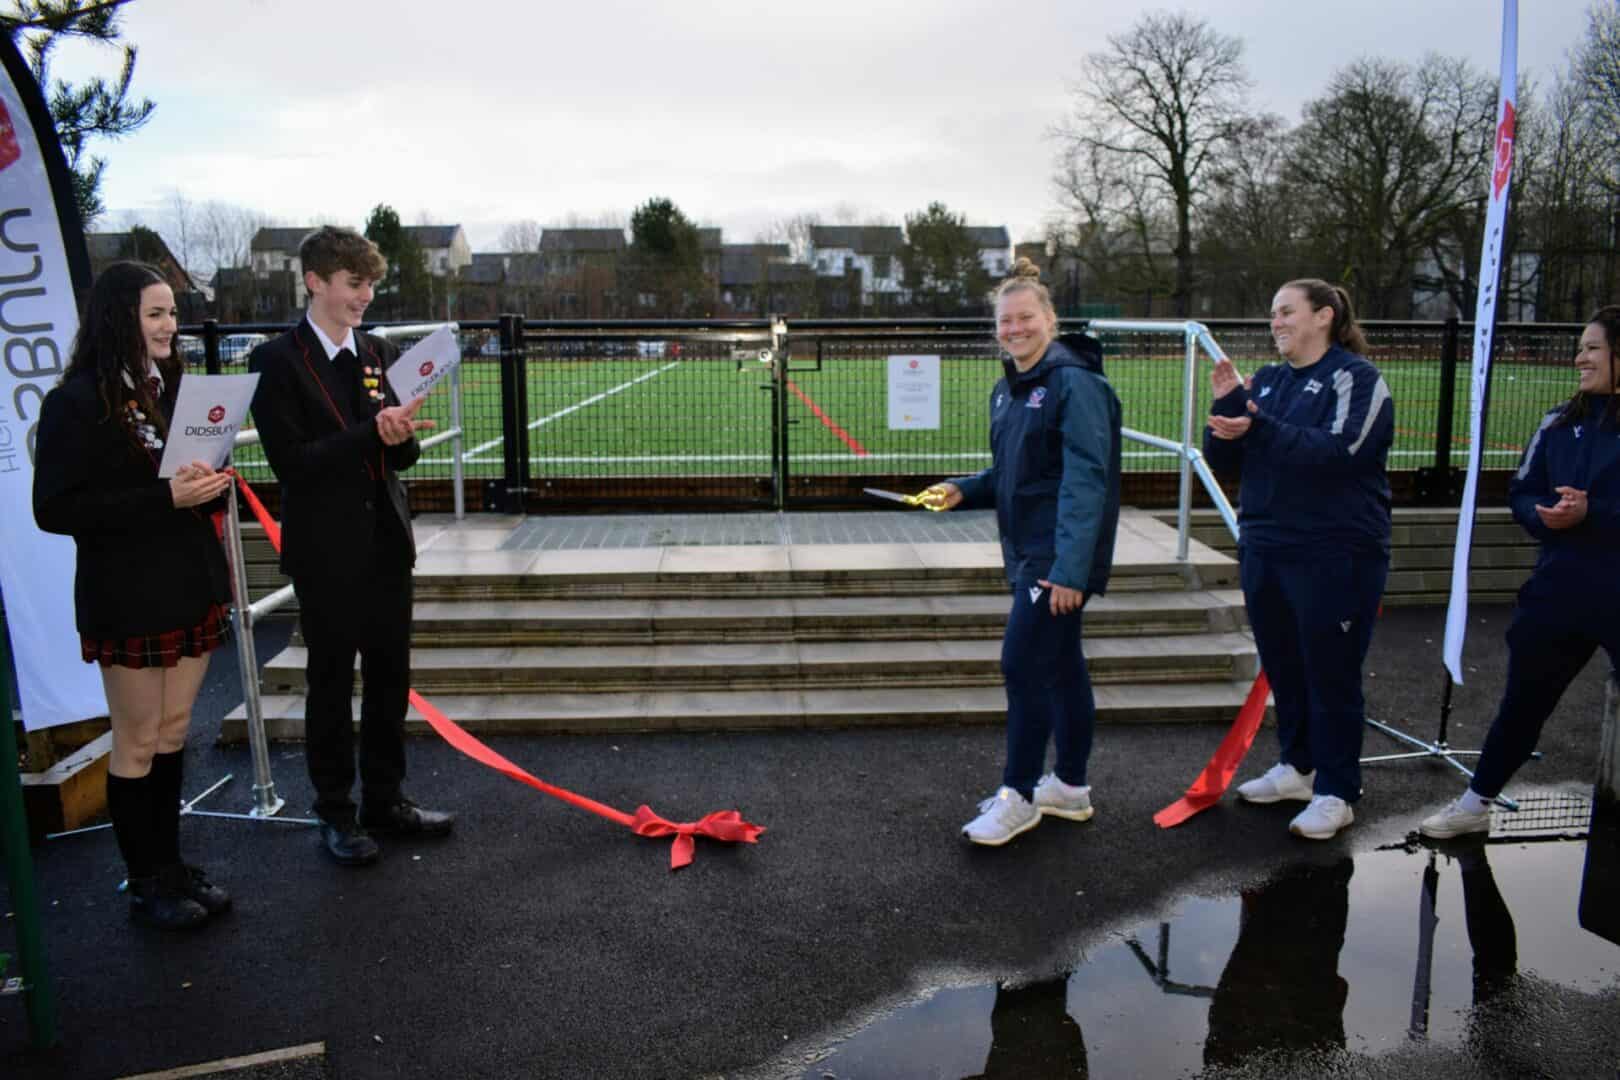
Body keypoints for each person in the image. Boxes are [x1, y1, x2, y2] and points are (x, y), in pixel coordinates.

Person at [33, 261, 234, 929]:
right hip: (127, 595)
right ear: (119, 319)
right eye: (155, 313)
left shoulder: (173, 389)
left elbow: (191, 478)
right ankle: (146, 881)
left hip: (190, 583)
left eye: (172, 312)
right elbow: (54, 509)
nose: (170, 325)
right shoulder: (73, 403)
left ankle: (170, 865)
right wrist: (164, 497)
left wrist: (209, 485)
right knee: (139, 741)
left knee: (174, 732)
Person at [248, 226, 452, 866]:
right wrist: (373, 433)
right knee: (332, 683)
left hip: (387, 542)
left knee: (391, 679)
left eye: (370, 285)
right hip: (326, 550)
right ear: (315, 281)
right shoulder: (275, 361)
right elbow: (293, 463)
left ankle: (385, 801)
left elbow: (402, 458)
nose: (365, 296)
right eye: (354, 284)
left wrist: (400, 435)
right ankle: (335, 812)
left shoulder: (378, 352)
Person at [930, 258, 1122, 847]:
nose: (1014, 329)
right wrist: (966, 488)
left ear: (1050, 320)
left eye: (1025, 318)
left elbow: (1086, 481)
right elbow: (1018, 472)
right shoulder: (1007, 389)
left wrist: (1070, 569)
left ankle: (1019, 796)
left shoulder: (1075, 384)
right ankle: (1069, 787)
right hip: (1033, 551)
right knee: (1062, 666)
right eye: (1005, 321)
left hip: (1055, 555)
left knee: (1022, 663)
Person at [1421, 306, 1620, 839]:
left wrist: (1594, 513)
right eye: (1580, 347)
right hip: (1559, 591)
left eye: (1593, 348)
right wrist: (1543, 514)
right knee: (1522, 705)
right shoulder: (1558, 422)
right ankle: (1474, 804)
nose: (1580, 358)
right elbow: (1523, 492)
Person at [1208, 279, 1393, 840]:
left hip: (1335, 551)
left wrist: (1259, 425)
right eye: (1273, 313)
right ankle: (1299, 766)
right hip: (1266, 545)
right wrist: (1228, 406)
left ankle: (1337, 790)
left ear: (1324, 316)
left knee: (1331, 672)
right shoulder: (1267, 380)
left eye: (1287, 311)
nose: (1277, 322)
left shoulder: (1356, 378)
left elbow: (1341, 452)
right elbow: (1224, 457)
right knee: (1284, 665)